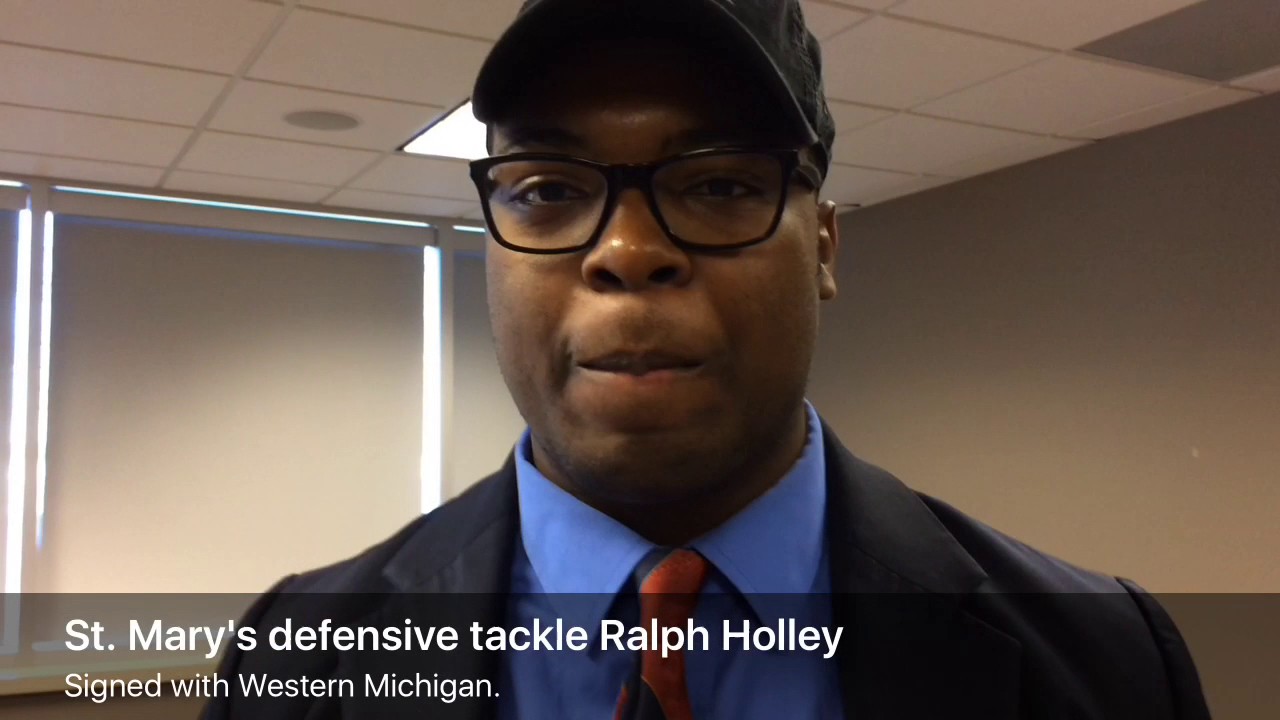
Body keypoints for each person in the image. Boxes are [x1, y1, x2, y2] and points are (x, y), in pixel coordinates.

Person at [204, 1, 1210, 718]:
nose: (626, 250)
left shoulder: (1105, 659)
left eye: (721, 185)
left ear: (820, 247)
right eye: (548, 190)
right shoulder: (293, 658)